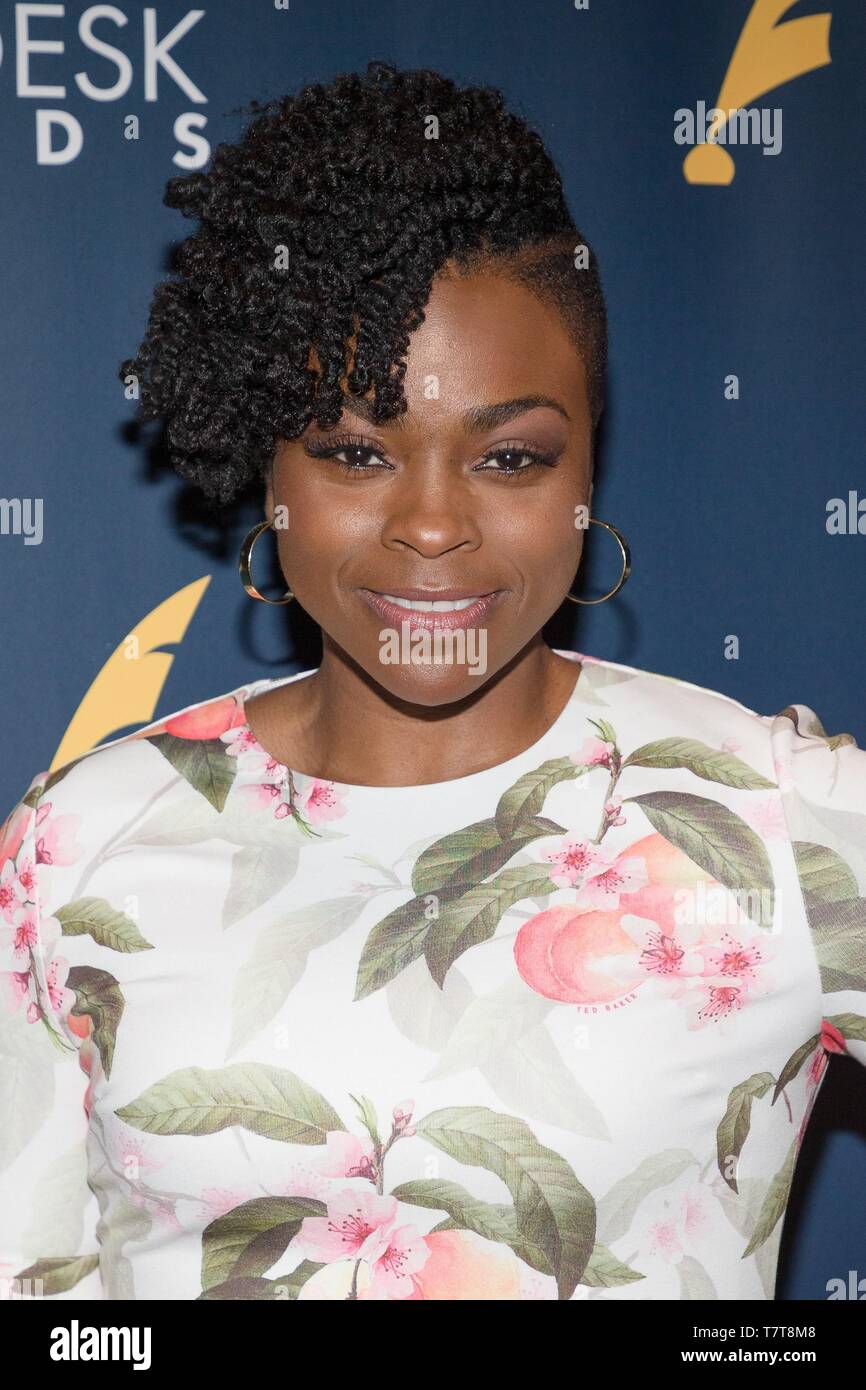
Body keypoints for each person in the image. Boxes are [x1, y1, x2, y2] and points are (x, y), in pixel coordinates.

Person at [1, 60, 864, 1303]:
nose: (429, 524)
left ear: (582, 470)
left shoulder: (768, 820)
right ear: (270, 469)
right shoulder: (76, 847)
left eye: (508, 457)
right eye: (355, 450)